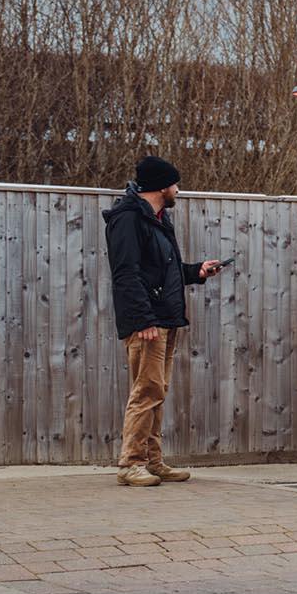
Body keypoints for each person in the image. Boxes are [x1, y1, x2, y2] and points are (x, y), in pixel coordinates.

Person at [103, 157, 221, 487]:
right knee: (146, 390)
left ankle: (153, 460)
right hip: (148, 322)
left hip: (165, 319)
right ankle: (130, 463)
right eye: (175, 184)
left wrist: (195, 271)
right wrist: (143, 318)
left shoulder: (157, 218)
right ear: (161, 186)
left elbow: (162, 271)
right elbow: (126, 274)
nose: (178, 190)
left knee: (158, 390)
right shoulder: (128, 219)